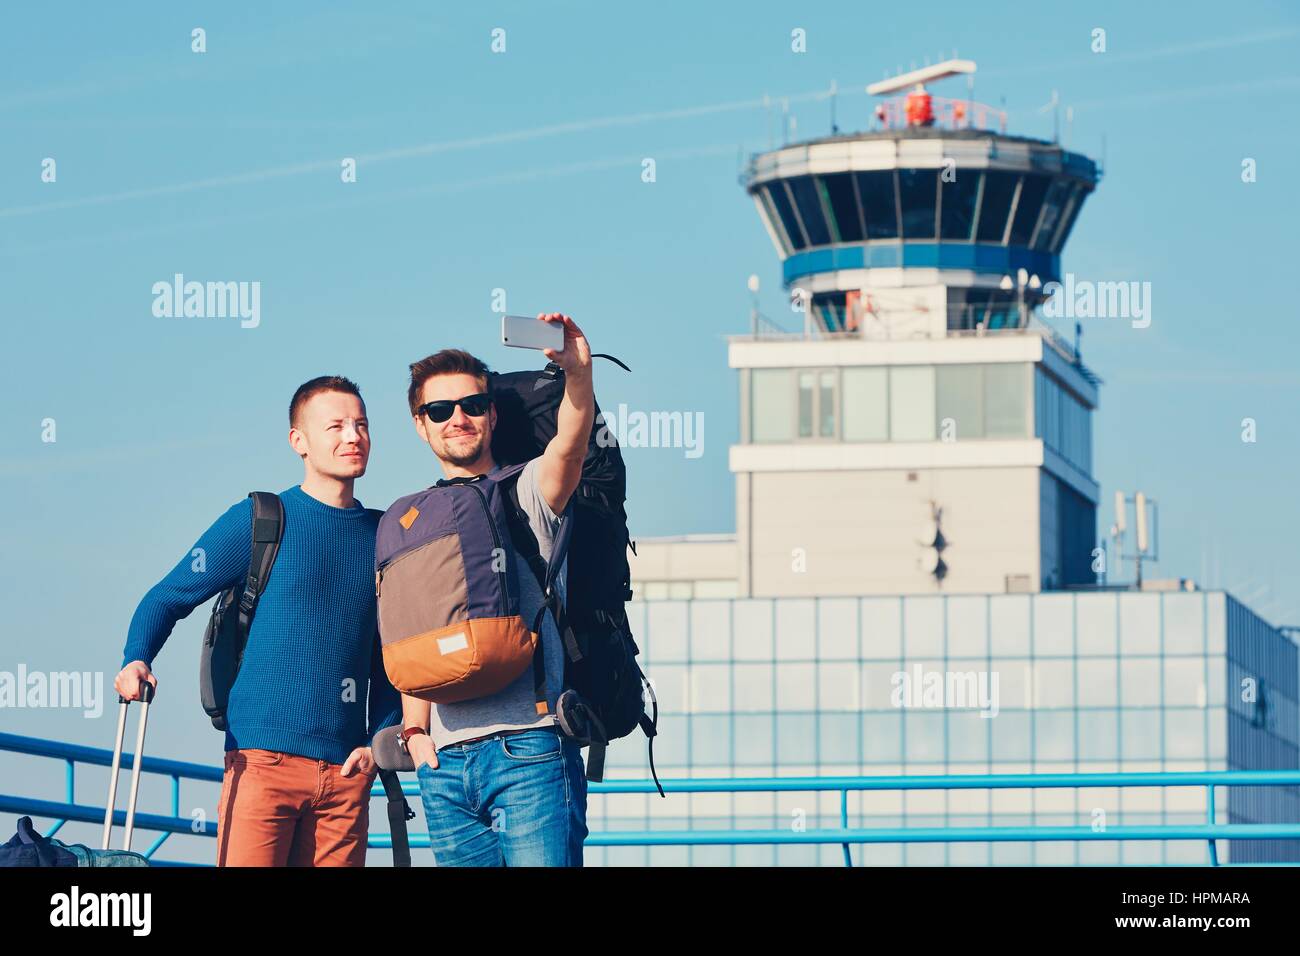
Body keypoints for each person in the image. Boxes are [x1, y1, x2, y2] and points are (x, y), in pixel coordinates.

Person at [113, 376, 401, 866]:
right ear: (299, 442)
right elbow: (168, 595)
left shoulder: (384, 533)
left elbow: (391, 653)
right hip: (261, 765)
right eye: (335, 425)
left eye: (362, 424)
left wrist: (380, 741)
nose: (353, 436)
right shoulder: (263, 518)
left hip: (347, 777)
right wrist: (136, 657)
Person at [398, 313, 594, 866]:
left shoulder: (530, 489)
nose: (457, 418)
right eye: (439, 410)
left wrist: (578, 375)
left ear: (491, 413)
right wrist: (416, 734)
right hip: (444, 763)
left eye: (472, 405)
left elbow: (570, 449)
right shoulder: (411, 518)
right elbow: (416, 635)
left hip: (529, 748)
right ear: (420, 424)